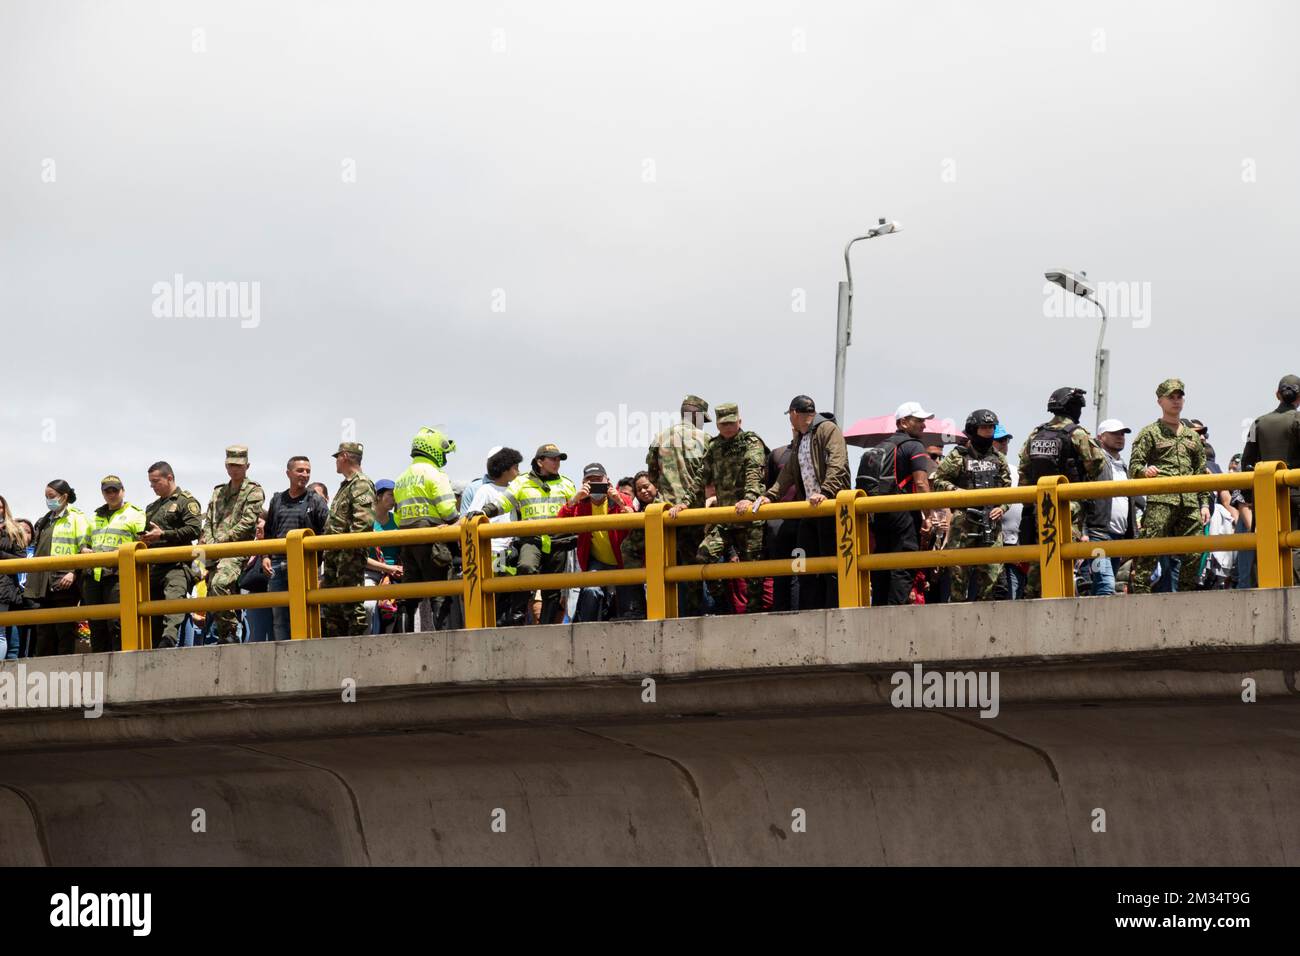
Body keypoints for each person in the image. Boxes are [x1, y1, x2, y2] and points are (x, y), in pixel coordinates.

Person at [671, 403, 769, 614]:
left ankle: (755, 613)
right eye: (724, 424)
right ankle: (724, 605)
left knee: (753, 569)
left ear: (739, 422)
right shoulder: (714, 447)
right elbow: (700, 478)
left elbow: (754, 471)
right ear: (717, 424)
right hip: (725, 518)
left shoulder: (751, 442)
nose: (728, 427)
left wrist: (749, 498)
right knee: (704, 556)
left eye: (732, 423)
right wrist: (684, 502)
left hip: (749, 516)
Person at [755, 395, 850, 610]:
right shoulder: (801, 437)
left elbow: (838, 463)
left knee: (830, 565)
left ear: (794, 413)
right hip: (808, 510)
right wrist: (770, 495)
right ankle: (810, 611)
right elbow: (789, 471)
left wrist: (826, 492)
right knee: (805, 565)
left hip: (828, 508)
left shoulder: (828, 430)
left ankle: (833, 609)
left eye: (789, 415)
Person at [1017, 387, 1106, 597]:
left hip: (1041, 505)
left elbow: (1024, 469)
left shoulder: (1036, 433)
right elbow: (1097, 463)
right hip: (1069, 506)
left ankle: (1032, 595)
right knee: (1065, 553)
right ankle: (1063, 595)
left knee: (1041, 553)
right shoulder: (1076, 433)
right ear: (1074, 408)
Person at [1127, 379, 1211, 594]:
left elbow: (1200, 473)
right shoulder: (1150, 432)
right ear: (1160, 401)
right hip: (1161, 501)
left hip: (1189, 502)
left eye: (1179, 397)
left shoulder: (1192, 436)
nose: (1176, 401)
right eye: (1171, 397)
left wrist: (1204, 504)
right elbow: (1134, 466)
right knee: (1149, 551)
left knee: (1195, 550)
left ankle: (1185, 594)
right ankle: (1140, 595)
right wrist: (1145, 472)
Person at [480, 443, 579, 625]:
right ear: (540, 461)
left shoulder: (566, 483)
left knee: (553, 587)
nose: (557, 462)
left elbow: (576, 511)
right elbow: (504, 502)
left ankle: (547, 626)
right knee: (526, 568)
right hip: (531, 540)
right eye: (553, 459)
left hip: (558, 541)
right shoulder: (522, 481)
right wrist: (484, 511)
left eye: (559, 459)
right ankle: (517, 616)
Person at [856, 403, 940, 605]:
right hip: (903, 514)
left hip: (878, 513)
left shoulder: (881, 446)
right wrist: (928, 516)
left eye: (924, 421)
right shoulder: (914, 446)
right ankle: (896, 615)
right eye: (918, 421)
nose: (923, 426)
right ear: (903, 422)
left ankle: (877, 612)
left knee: (882, 562)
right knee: (903, 562)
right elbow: (921, 483)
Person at [930, 409, 1011, 602]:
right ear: (973, 429)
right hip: (964, 522)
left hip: (991, 523)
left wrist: (1003, 507)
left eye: (991, 428)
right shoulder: (959, 455)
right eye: (984, 428)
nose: (989, 432)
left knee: (991, 574)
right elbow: (939, 481)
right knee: (958, 574)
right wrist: (956, 492)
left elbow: (1008, 488)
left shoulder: (999, 459)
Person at [646, 395, 712, 612]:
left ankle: (645, 609)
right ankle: (693, 617)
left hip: (663, 515)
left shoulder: (660, 438)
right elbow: (712, 478)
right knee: (693, 566)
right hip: (694, 513)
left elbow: (652, 476)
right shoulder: (706, 439)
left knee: (661, 565)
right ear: (698, 416)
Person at [394, 427, 461, 631]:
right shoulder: (436, 475)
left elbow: (397, 517)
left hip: (407, 541)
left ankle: (402, 638)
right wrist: (457, 523)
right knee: (440, 592)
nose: (444, 456)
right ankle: (443, 641)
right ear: (433, 449)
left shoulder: (401, 478)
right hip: (434, 541)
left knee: (409, 594)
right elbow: (448, 510)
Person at [200, 446, 266, 644]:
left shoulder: (254, 491)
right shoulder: (218, 491)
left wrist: (221, 541)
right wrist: (209, 546)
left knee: (220, 584)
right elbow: (209, 521)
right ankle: (224, 635)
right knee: (212, 591)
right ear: (226, 466)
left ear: (247, 466)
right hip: (212, 550)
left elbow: (247, 523)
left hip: (236, 550)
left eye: (238, 465)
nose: (234, 469)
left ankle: (231, 629)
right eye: (231, 465)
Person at [1241, 373, 1300, 584]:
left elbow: (1247, 462)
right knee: (1294, 544)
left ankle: (1263, 589)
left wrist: (1249, 494)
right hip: (1295, 495)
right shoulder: (1297, 421)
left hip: (1265, 496)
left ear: (1277, 395)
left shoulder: (1258, 423)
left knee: (1265, 543)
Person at [262, 455, 329, 640]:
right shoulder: (277, 500)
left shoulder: (315, 500)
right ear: (288, 473)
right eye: (300, 470)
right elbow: (268, 532)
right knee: (279, 616)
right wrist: (265, 556)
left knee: (306, 612)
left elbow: (327, 532)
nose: (305, 474)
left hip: (305, 564)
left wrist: (318, 563)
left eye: (308, 471)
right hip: (277, 564)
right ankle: (284, 655)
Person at [557, 462, 634, 622]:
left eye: (598, 480)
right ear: (584, 484)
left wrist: (618, 500)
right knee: (590, 590)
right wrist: (574, 499)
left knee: (628, 603)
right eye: (590, 481)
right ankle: (587, 626)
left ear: (608, 481)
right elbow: (559, 524)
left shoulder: (621, 498)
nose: (595, 485)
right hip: (597, 562)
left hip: (624, 561)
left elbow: (634, 520)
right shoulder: (580, 505)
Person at [141, 461, 203, 648]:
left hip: (176, 565)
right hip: (153, 566)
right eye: (150, 483)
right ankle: (153, 645)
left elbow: (194, 530)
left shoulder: (186, 501)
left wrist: (164, 534)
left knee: (173, 605)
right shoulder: (151, 507)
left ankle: (169, 641)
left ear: (169, 478)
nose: (153, 486)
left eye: (156, 481)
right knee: (151, 611)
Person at [319, 442, 376, 637]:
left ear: (344, 456)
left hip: (348, 557)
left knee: (351, 607)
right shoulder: (347, 485)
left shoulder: (360, 483)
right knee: (333, 611)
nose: (336, 462)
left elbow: (363, 523)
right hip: (336, 557)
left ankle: (357, 648)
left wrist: (347, 554)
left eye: (337, 458)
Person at [83, 475, 146, 652]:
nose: (111, 494)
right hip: (94, 576)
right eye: (107, 491)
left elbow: (144, 543)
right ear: (102, 493)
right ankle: (99, 661)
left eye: (115, 490)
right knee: (95, 624)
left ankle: (121, 659)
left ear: (123, 491)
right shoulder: (95, 516)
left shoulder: (136, 514)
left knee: (116, 623)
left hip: (119, 575)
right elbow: (86, 542)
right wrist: (84, 550)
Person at [28, 480, 91, 656]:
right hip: (43, 583)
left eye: (51, 496)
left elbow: (84, 549)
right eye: (46, 497)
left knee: (64, 630)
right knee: (44, 632)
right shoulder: (45, 520)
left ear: (64, 496)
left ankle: (64, 669)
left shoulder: (77, 518)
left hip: (65, 581)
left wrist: (73, 572)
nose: (48, 500)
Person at [464, 447, 524, 625]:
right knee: (494, 597)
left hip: (510, 549)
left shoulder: (515, 490)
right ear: (505, 469)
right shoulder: (485, 490)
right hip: (493, 551)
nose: (518, 471)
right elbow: (472, 516)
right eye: (515, 467)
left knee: (508, 595)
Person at [1083, 420, 1140, 596]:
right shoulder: (1094, 464)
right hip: (1097, 537)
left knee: (1103, 583)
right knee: (1105, 584)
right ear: (1100, 437)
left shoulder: (1123, 466)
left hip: (1119, 536)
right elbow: (1082, 497)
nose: (1120, 437)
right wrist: (1084, 530)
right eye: (1115, 433)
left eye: (1122, 434)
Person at [617, 471, 665, 619]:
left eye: (646, 486)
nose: (643, 491)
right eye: (639, 490)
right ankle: (638, 607)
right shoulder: (641, 510)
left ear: (655, 485)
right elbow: (630, 545)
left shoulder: (666, 501)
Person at [363, 479, 403, 634]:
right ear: (378, 496)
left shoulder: (397, 520)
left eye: (396, 496)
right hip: (372, 571)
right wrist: (388, 568)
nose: (394, 499)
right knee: (368, 606)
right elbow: (361, 557)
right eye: (390, 495)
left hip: (398, 573)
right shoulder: (366, 522)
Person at [0, 497, 29, 658]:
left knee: (0, 633)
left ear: (5, 509)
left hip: (4, 587)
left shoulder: (13, 530)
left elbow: (21, 559)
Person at [239, 513, 274, 642]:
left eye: (259, 522)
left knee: (265, 637)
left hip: (267, 595)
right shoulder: (251, 545)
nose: (257, 527)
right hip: (251, 597)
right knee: (254, 637)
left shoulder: (274, 543)